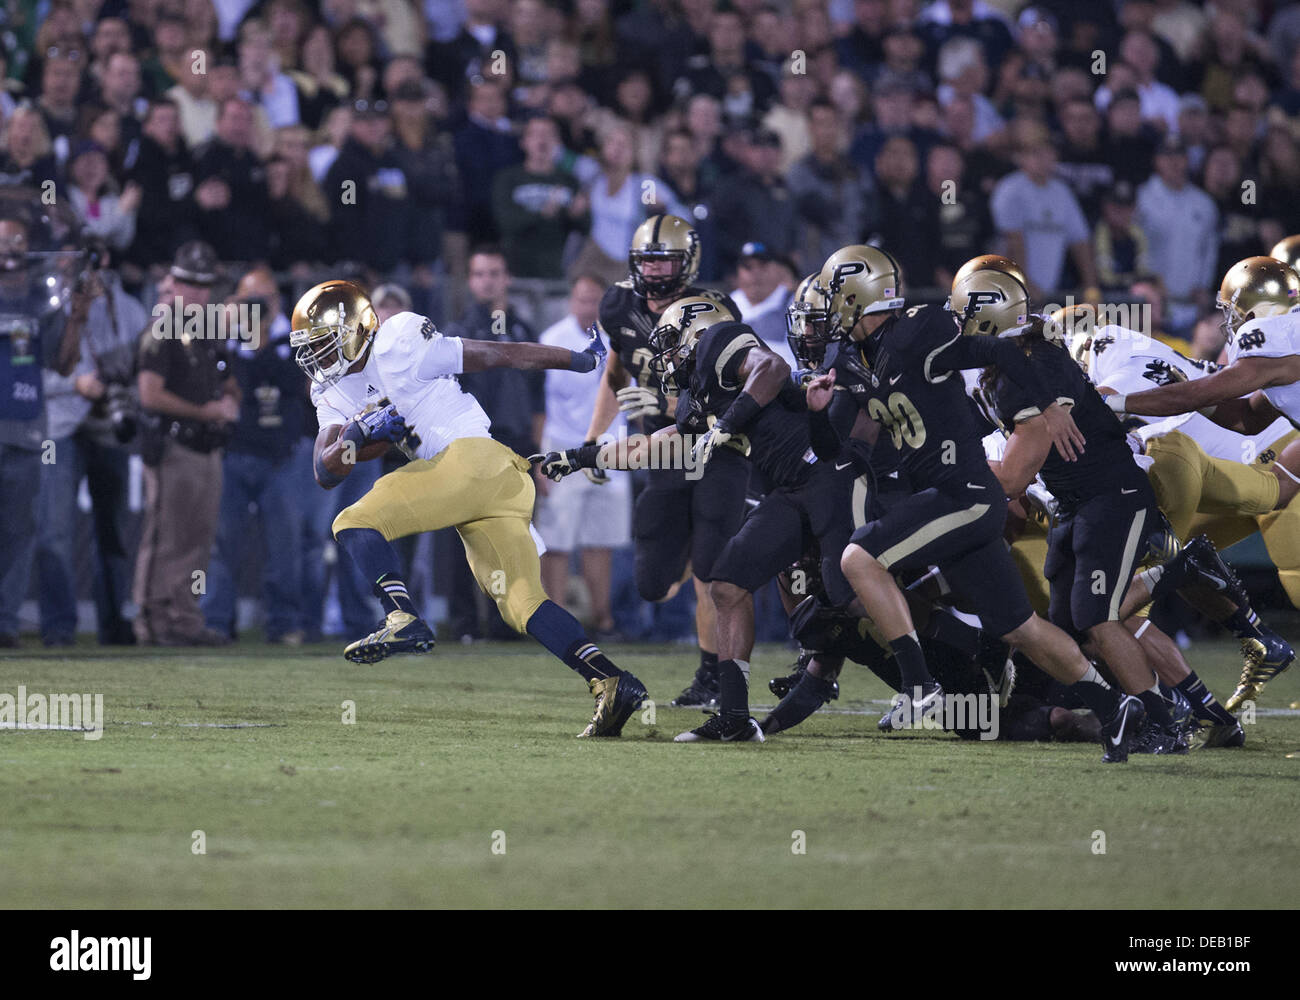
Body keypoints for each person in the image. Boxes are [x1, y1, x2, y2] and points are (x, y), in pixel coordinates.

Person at [815, 244, 1145, 762]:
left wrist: (1051, 405)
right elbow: (832, 444)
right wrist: (818, 408)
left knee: (859, 557)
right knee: (1019, 627)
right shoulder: (849, 359)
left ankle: (919, 684)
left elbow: (1003, 351)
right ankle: (1114, 708)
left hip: (964, 493)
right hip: (950, 498)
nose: (829, 305)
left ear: (857, 293)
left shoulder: (918, 330)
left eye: (835, 293)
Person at [291, 279, 648, 738]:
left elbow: (499, 354)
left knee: (353, 521)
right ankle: (611, 680)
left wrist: (579, 360)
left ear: (356, 329)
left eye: (323, 344)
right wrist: (358, 436)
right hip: (499, 483)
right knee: (521, 603)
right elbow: (325, 470)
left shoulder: (399, 340)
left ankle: (401, 616)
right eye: (311, 348)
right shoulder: (333, 391)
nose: (317, 358)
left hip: (470, 461)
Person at [582, 214, 745, 707]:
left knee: (712, 576)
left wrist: (667, 406)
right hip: (664, 453)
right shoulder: (619, 305)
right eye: (646, 261)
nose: (653, 271)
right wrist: (595, 437)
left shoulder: (714, 312)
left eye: (664, 260)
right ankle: (689, 557)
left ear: (688, 262)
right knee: (654, 582)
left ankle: (714, 677)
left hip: (717, 449)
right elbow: (618, 368)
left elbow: (728, 398)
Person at [36, 241, 145, 647]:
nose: (76, 266)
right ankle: (59, 629)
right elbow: (28, 375)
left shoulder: (129, 309)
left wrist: (123, 395)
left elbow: (142, 371)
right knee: (54, 534)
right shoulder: (44, 304)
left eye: (85, 258)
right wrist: (74, 383)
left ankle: (115, 627)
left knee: (113, 534)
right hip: (59, 428)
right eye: (66, 255)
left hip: (106, 429)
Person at [133, 241, 241, 646]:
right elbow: (148, 394)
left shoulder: (208, 331)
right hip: (173, 447)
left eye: (203, 285)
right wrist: (207, 411)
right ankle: (152, 621)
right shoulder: (159, 330)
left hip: (208, 448)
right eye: (189, 284)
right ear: (173, 283)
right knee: (166, 536)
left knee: (198, 539)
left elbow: (227, 380)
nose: (197, 293)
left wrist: (230, 399)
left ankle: (184, 619)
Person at [442, 246, 546, 639]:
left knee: (511, 537)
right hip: (468, 446)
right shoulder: (454, 333)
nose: (488, 280)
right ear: (471, 280)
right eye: (480, 273)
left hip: (516, 445)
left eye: (495, 273)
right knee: (462, 538)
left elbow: (539, 399)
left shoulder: (524, 332)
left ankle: (506, 624)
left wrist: (536, 454)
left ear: (507, 279)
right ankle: (465, 624)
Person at [202, 267, 310, 643]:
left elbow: (302, 386)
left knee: (284, 547)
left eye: (262, 301)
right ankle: (215, 622)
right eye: (249, 300)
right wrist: (225, 323)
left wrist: (258, 340)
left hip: (283, 456)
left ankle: (284, 623)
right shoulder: (224, 339)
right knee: (222, 545)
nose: (257, 309)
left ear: (277, 301)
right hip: (232, 453)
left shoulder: (299, 337)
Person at [0, 212, 93, 647]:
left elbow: (62, 363)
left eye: (18, 242)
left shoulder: (40, 301)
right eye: (3, 242)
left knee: (19, 532)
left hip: (25, 431)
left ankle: (5, 623)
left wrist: (77, 315)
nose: (10, 250)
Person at [535, 274, 630, 637]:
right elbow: (539, 407)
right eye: (582, 299)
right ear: (571, 301)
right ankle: (556, 621)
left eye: (595, 300)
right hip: (562, 451)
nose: (588, 307)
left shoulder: (623, 343)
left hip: (610, 454)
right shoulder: (552, 342)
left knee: (600, 543)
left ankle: (601, 620)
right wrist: (540, 458)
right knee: (557, 541)